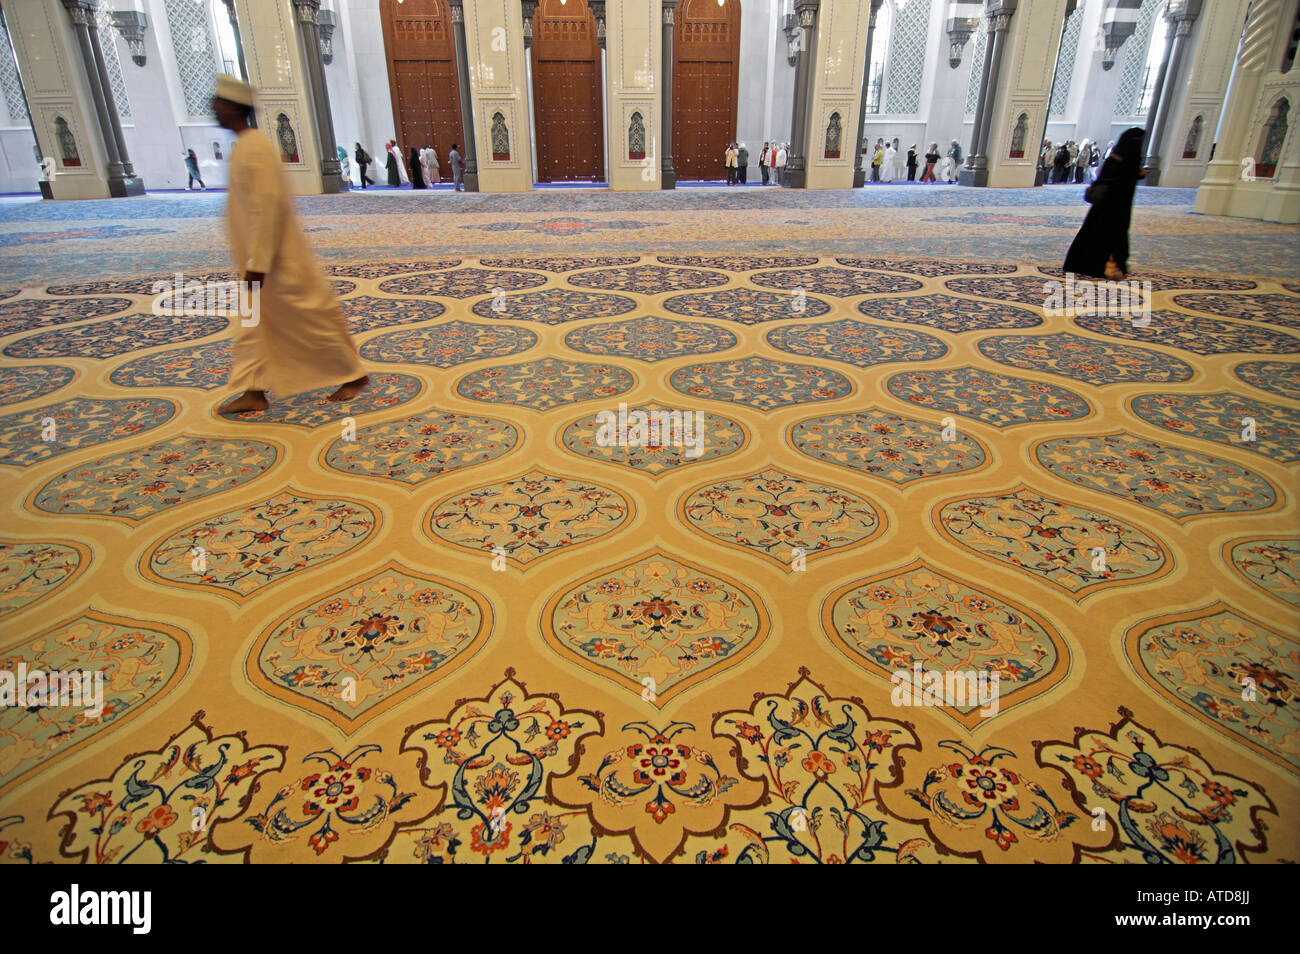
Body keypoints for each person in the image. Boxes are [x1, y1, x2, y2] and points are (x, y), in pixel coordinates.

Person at [209, 74, 368, 416]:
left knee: (309, 317)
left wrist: (259, 262)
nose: (215, 109)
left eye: (220, 104)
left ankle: (354, 374)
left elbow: (270, 208)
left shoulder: (257, 147)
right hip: (256, 261)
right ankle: (253, 390)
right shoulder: (244, 147)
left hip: (274, 262)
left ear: (237, 109)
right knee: (250, 325)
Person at [1063, 127, 1146, 281]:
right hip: (1113, 207)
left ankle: (1099, 264)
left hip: (1107, 207)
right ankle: (1102, 265)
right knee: (1108, 235)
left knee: (1099, 234)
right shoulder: (1120, 162)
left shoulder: (1118, 160)